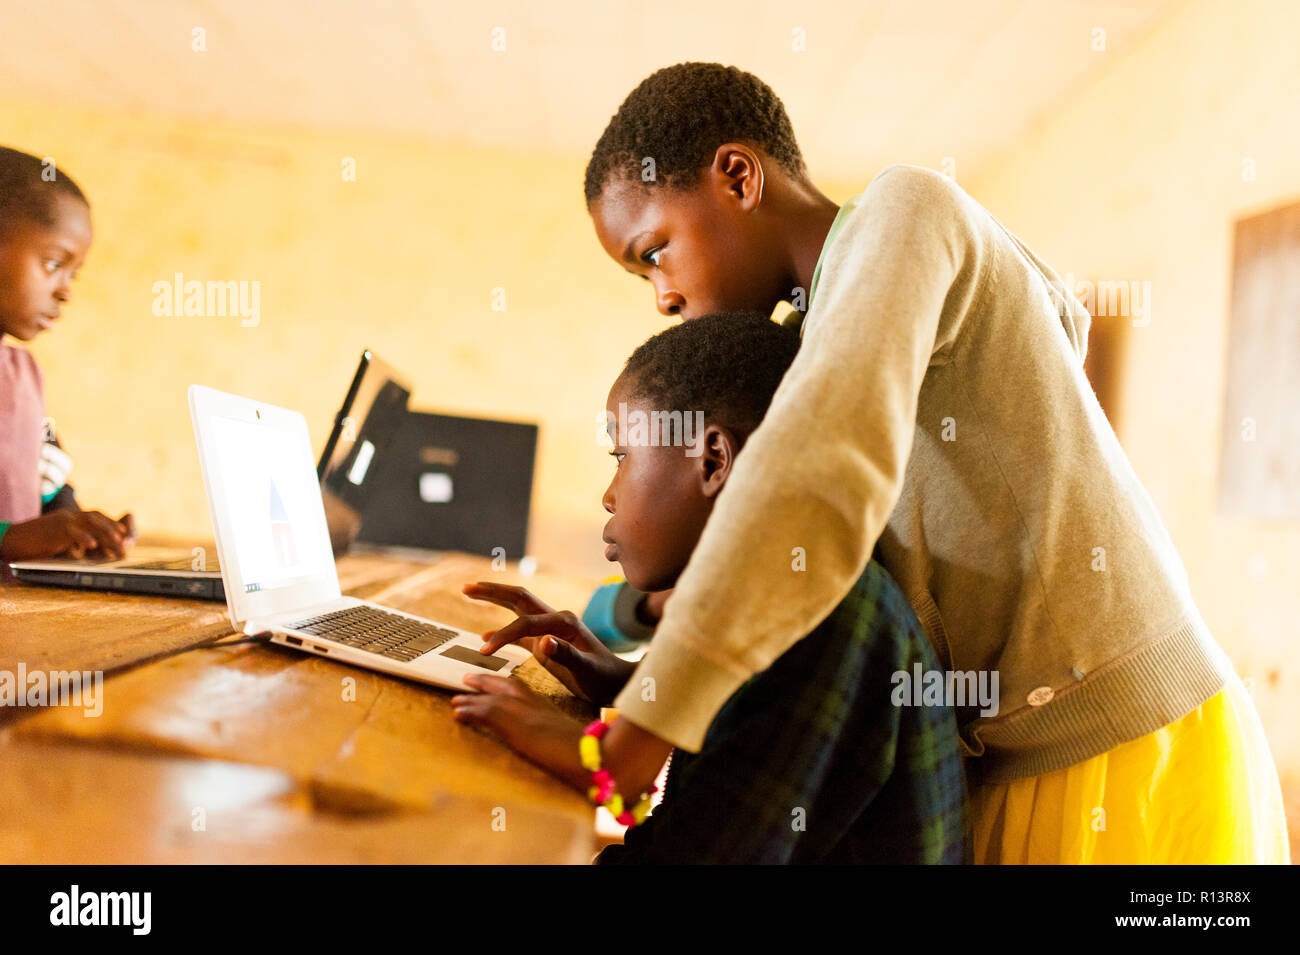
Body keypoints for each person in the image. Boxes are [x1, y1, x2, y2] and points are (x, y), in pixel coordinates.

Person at [524, 61, 1284, 864]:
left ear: (738, 176)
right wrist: (623, 647)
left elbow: (819, 474)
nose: (661, 297)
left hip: (1121, 741)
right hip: (1006, 759)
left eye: (654, 252)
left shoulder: (904, 207)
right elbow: (806, 565)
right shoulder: (816, 337)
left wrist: (635, 737)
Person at [454, 313, 967, 863]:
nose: (609, 495)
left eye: (622, 457)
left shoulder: (820, 624)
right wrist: (631, 686)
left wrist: (580, 754)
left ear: (713, 459)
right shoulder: (785, 590)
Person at [0, 145, 135, 562]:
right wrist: (9, 538)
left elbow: (46, 480)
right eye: (54, 263)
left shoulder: (24, 375)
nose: (66, 291)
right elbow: (16, 534)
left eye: (74, 273)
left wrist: (80, 528)